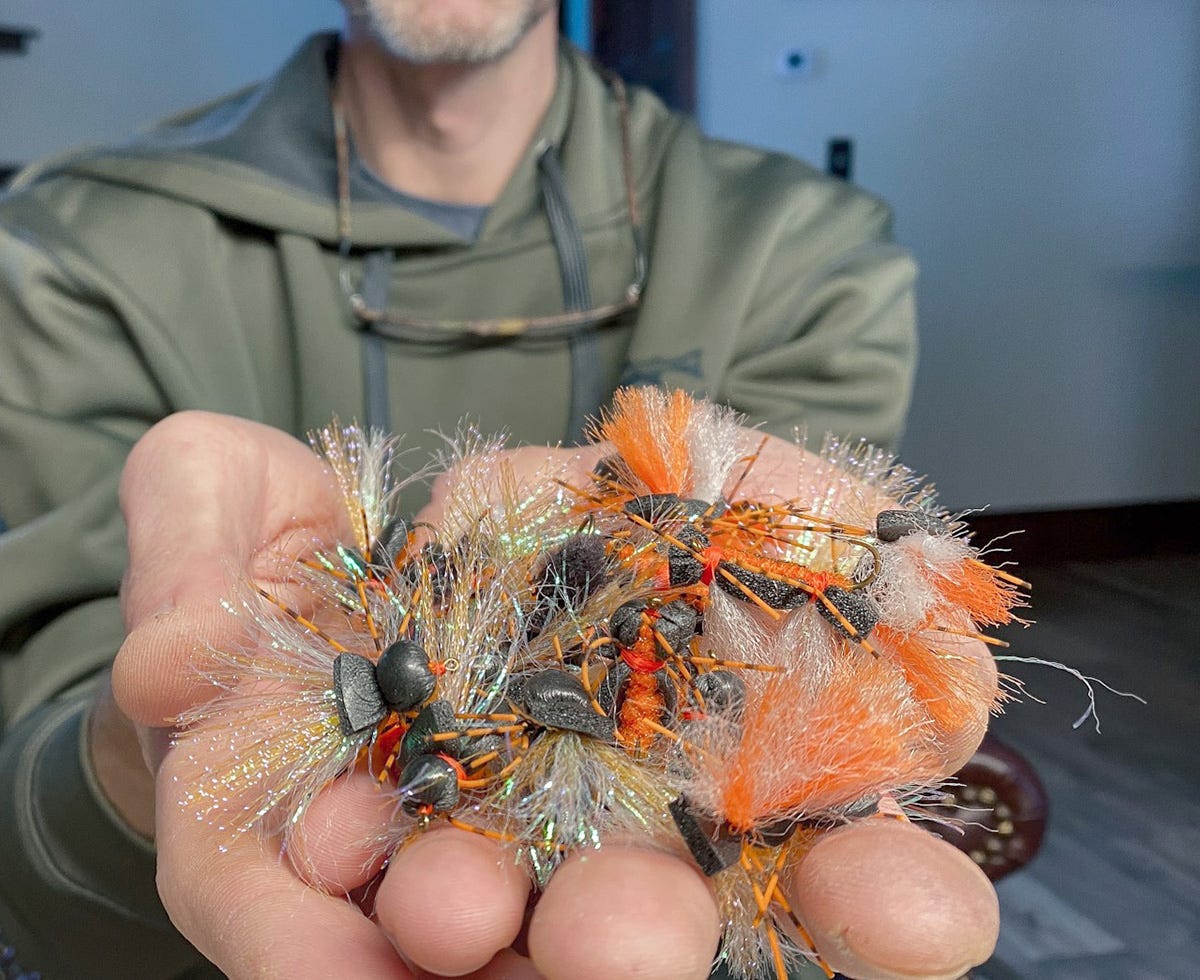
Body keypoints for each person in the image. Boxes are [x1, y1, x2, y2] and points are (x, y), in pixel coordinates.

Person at [0, 2, 1000, 978]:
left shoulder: (803, 247)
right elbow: (38, 864)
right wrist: (155, 746)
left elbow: (793, 679)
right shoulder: (70, 249)